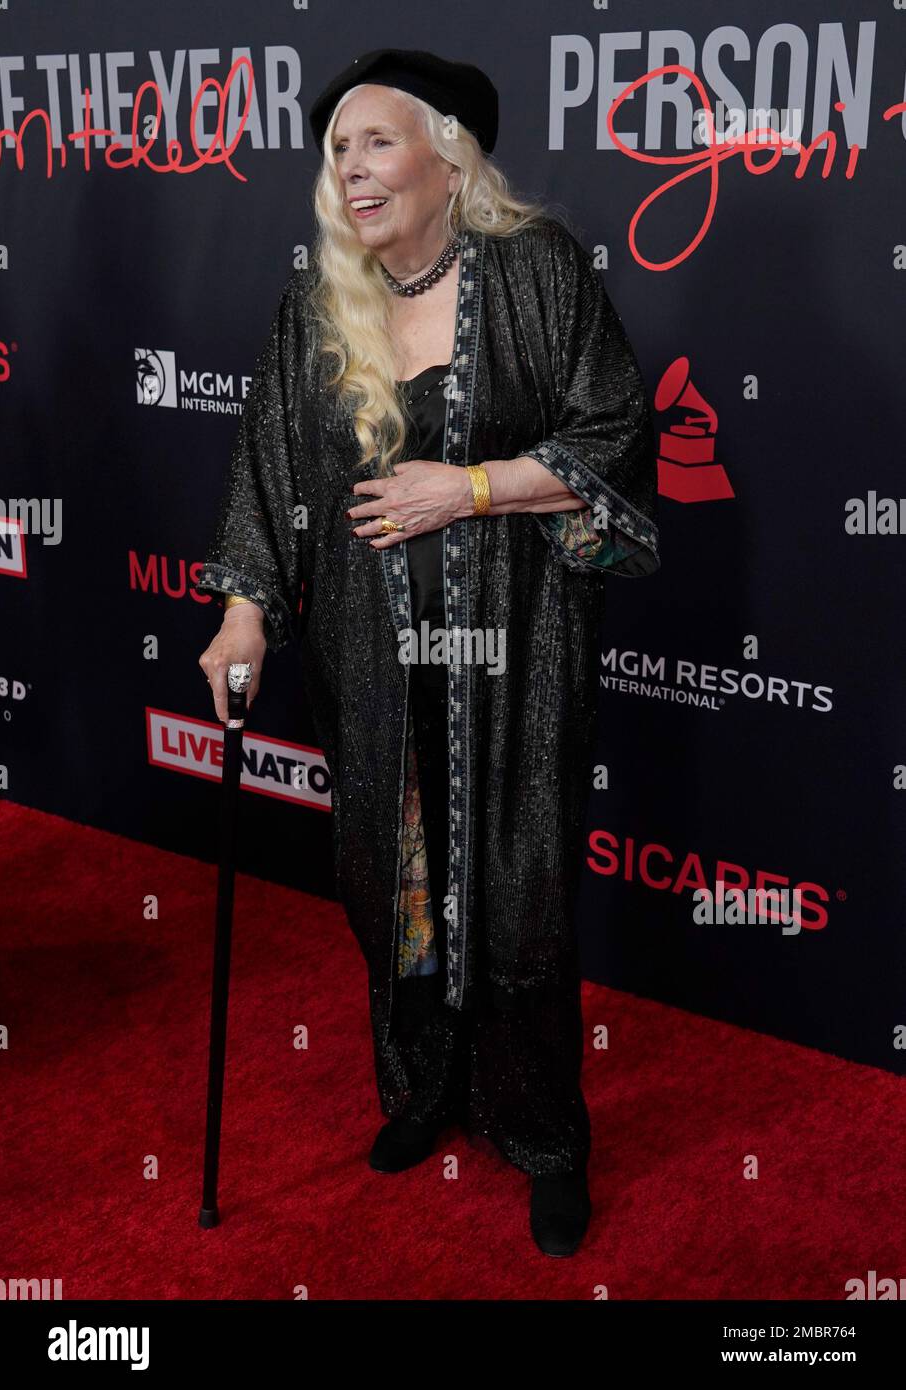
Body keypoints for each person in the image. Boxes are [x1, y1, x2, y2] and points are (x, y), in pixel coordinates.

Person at [196, 47, 660, 1258]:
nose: (350, 168)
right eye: (336, 149)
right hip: (371, 657)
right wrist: (243, 612)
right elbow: (266, 477)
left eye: (376, 141)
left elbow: (613, 425)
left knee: (518, 898)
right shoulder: (316, 306)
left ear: (447, 156)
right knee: (392, 883)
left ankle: (543, 1136)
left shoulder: (536, 270)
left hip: (517, 646)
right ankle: (425, 1090)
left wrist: (465, 487)